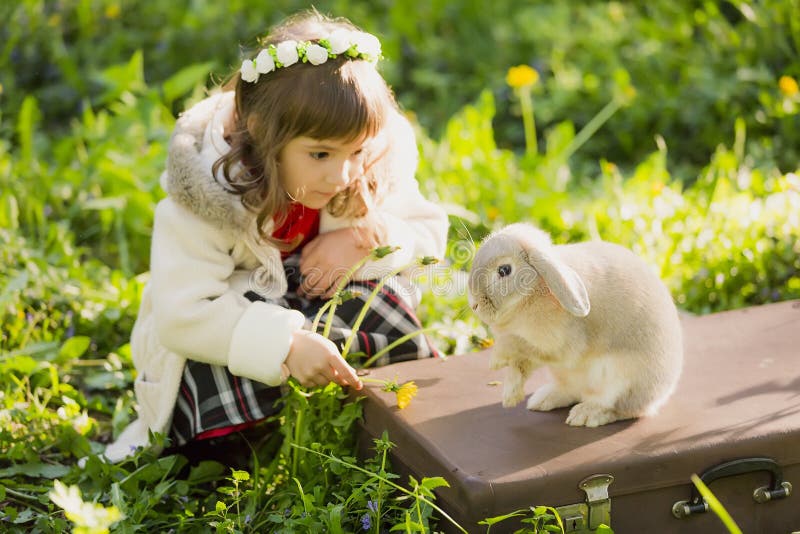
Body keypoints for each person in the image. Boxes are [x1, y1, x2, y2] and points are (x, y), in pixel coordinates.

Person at [104, 9, 448, 463]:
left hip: (316, 301)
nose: (343, 174)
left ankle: (371, 412)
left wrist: (367, 239)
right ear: (266, 135)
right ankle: (245, 442)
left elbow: (428, 233)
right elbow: (181, 315)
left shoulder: (371, 167)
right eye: (320, 153)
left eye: (356, 151)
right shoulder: (209, 192)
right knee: (205, 369)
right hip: (237, 326)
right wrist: (284, 342)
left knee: (389, 294)